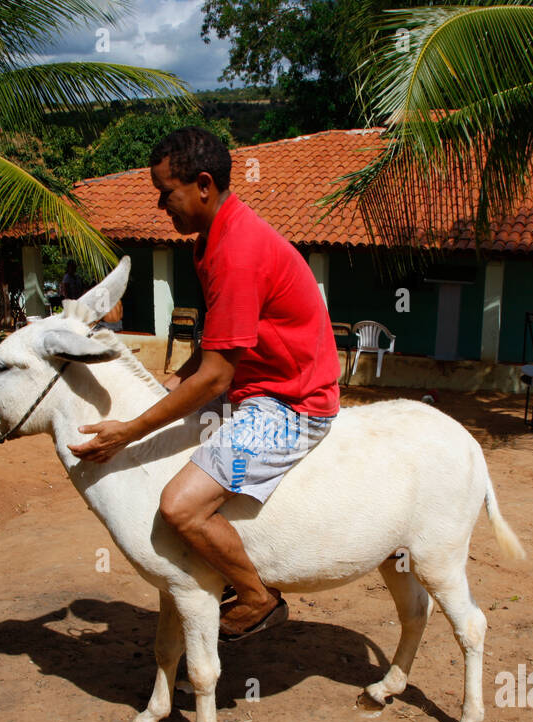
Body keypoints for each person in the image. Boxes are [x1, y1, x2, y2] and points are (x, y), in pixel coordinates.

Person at [68, 126, 341, 639]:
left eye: (165, 192)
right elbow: (214, 350)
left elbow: (218, 372)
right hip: (256, 387)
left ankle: (259, 596)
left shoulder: (237, 251)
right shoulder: (211, 241)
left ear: (204, 185)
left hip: (291, 405)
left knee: (179, 505)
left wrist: (130, 429)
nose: (160, 205)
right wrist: (174, 379)